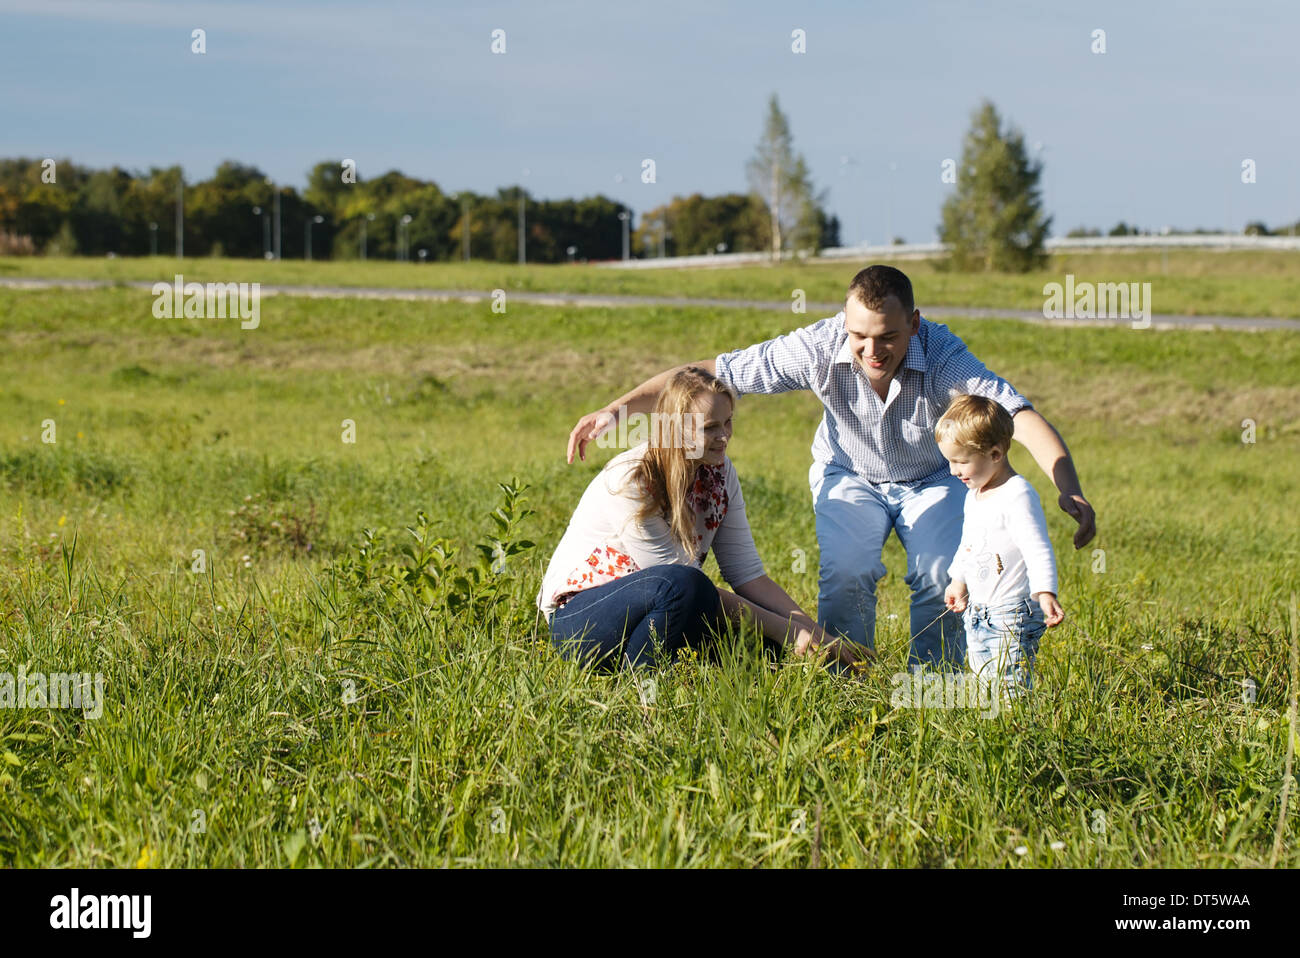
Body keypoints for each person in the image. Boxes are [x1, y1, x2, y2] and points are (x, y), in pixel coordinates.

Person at [566, 265, 1095, 670]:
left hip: (931, 479)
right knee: (847, 573)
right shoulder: (816, 347)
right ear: (845, 323)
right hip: (849, 475)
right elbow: (706, 373)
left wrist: (1066, 485)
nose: (872, 349)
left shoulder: (944, 355)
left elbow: (1014, 413)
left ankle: (937, 686)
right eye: (859, 335)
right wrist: (617, 410)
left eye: (887, 336)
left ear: (913, 324)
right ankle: (847, 675)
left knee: (939, 575)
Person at [538, 366, 867, 672]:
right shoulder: (632, 478)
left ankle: (672, 675)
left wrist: (820, 636)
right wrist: (788, 630)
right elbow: (681, 582)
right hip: (581, 621)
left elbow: (748, 576)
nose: (724, 436)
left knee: (767, 648)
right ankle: (638, 686)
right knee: (686, 584)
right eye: (710, 427)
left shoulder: (720, 474)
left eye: (728, 422)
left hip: (661, 610)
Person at [936, 394, 1065, 694]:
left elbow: (1037, 547)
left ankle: (1017, 734)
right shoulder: (975, 494)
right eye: (950, 462)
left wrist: (1045, 591)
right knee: (983, 680)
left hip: (1013, 613)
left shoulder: (1016, 494)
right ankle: (992, 734)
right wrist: (958, 580)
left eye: (961, 462)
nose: (954, 471)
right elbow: (969, 543)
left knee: (1010, 685)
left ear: (995, 454)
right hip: (979, 611)